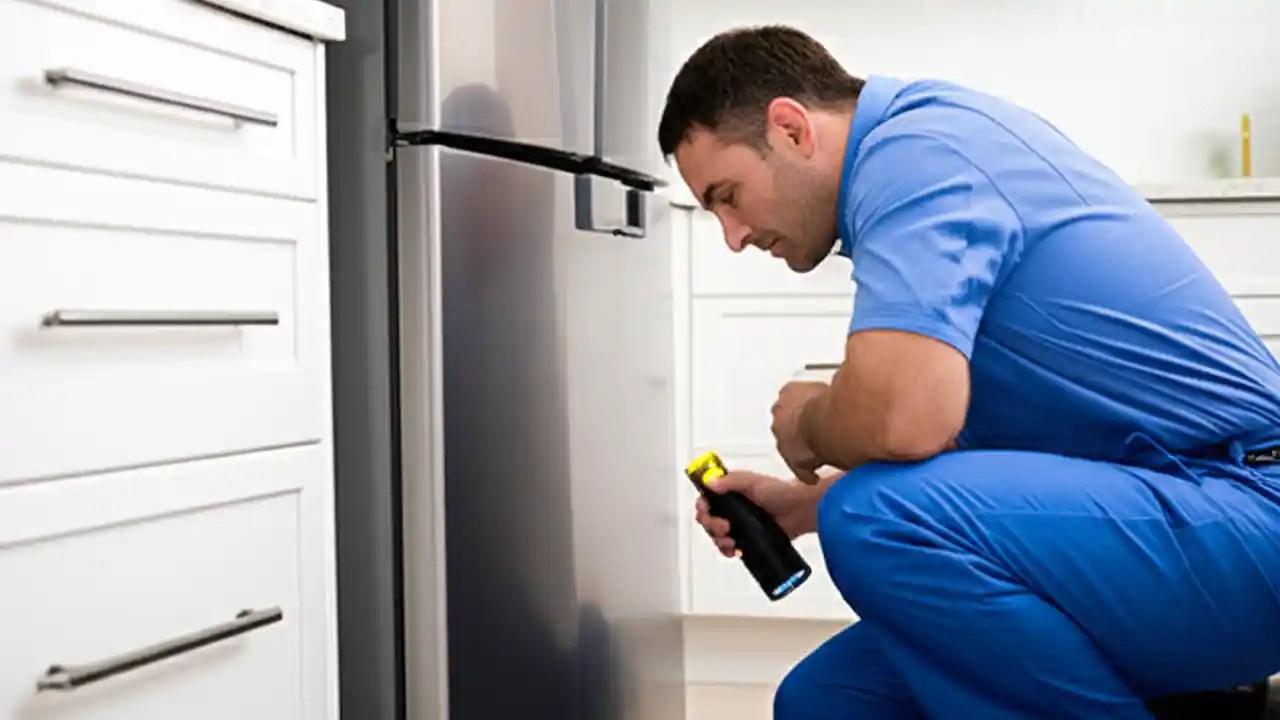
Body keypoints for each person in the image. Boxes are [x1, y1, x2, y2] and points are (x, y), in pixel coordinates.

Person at [658, 25, 1280, 720]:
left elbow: (905, 421)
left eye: (728, 195)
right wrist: (804, 504)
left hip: (1250, 509)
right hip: (1174, 509)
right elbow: (996, 437)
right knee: (827, 702)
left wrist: (809, 420)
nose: (733, 236)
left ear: (791, 129)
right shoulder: (923, 154)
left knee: (875, 518)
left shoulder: (916, 158)